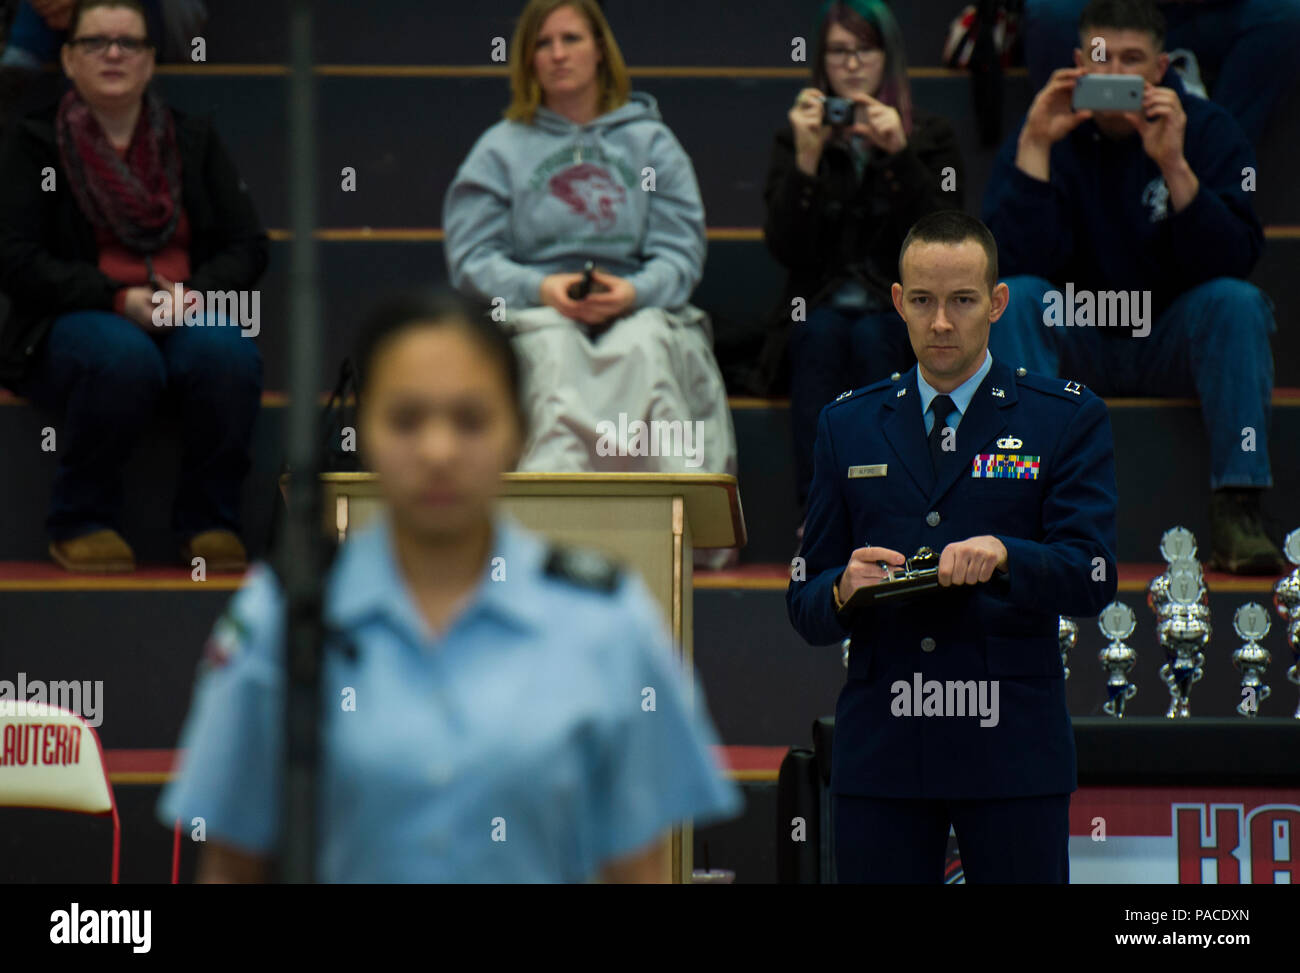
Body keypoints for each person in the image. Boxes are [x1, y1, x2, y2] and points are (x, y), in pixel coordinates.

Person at [157, 291, 742, 883]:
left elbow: (638, 870)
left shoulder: (605, 618)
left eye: (470, 419)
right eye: (406, 419)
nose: (438, 451)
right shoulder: (283, 612)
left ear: (519, 430)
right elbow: (230, 867)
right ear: (365, 432)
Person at [787, 211, 1118, 883]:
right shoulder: (845, 425)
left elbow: (1093, 572)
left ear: (997, 303)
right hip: (884, 750)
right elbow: (804, 597)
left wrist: (1006, 555)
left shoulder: (1062, 417)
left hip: (1012, 750)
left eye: (963, 300)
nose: (941, 322)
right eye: (924, 300)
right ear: (897, 302)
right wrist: (843, 587)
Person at [982, 0, 1283, 574]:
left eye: (1131, 60)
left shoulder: (1207, 128)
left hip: (1168, 333)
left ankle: (1238, 509)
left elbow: (1234, 259)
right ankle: (1022, 505)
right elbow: (1008, 264)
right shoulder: (1045, 129)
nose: (1114, 73)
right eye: (1101, 58)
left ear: (1161, 68)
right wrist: (1035, 150)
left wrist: (1173, 164)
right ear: (1076, 63)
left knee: (1237, 305)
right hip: (1078, 334)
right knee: (1016, 298)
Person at [0, 0, 265, 573]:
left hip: (180, 306)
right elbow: (17, 260)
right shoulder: (34, 143)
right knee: (122, 358)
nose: (114, 53)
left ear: (150, 62)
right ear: (69, 60)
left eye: (130, 43)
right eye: (96, 42)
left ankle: (210, 521)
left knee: (228, 354)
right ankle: (81, 519)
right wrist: (114, 298)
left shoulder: (191, 140)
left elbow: (247, 246)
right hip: (74, 316)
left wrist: (191, 293)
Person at [443, 0, 737, 492]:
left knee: (644, 344)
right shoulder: (500, 148)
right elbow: (473, 259)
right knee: (549, 348)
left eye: (571, 39)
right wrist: (543, 287)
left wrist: (632, 292)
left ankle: (663, 518)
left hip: (636, 304)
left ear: (600, 50)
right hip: (535, 308)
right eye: (543, 43)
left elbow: (680, 254)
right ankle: (546, 522)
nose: (557, 54)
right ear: (528, 58)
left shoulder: (651, 143)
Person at [761, 0, 963, 522]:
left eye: (864, 51)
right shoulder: (797, 136)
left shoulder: (929, 136)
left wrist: (898, 156)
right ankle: (819, 516)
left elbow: (947, 242)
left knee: (875, 337)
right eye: (838, 51)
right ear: (821, 61)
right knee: (820, 334)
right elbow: (785, 247)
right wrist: (806, 161)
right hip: (817, 308)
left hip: (898, 309)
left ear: (887, 57)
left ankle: (885, 509)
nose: (851, 65)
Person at [1021, 0, 1300, 146]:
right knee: (1048, 12)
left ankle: (1217, 150)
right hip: (1115, 15)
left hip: (1210, 14)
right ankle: (1079, 146)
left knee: (1286, 14)